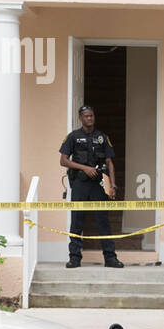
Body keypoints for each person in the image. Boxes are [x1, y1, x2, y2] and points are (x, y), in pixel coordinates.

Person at [58, 105, 124, 269]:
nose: (90, 119)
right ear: (80, 118)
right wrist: (84, 168)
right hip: (80, 183)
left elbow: (109, 163)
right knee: (77, 221)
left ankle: (110, 258)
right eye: (86, 116)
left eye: (92, 116)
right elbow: (63, 160)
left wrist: (112, 185)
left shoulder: (102, 137)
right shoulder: (73, 137)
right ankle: (74, 258)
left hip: (98, 184)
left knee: (103, 221)